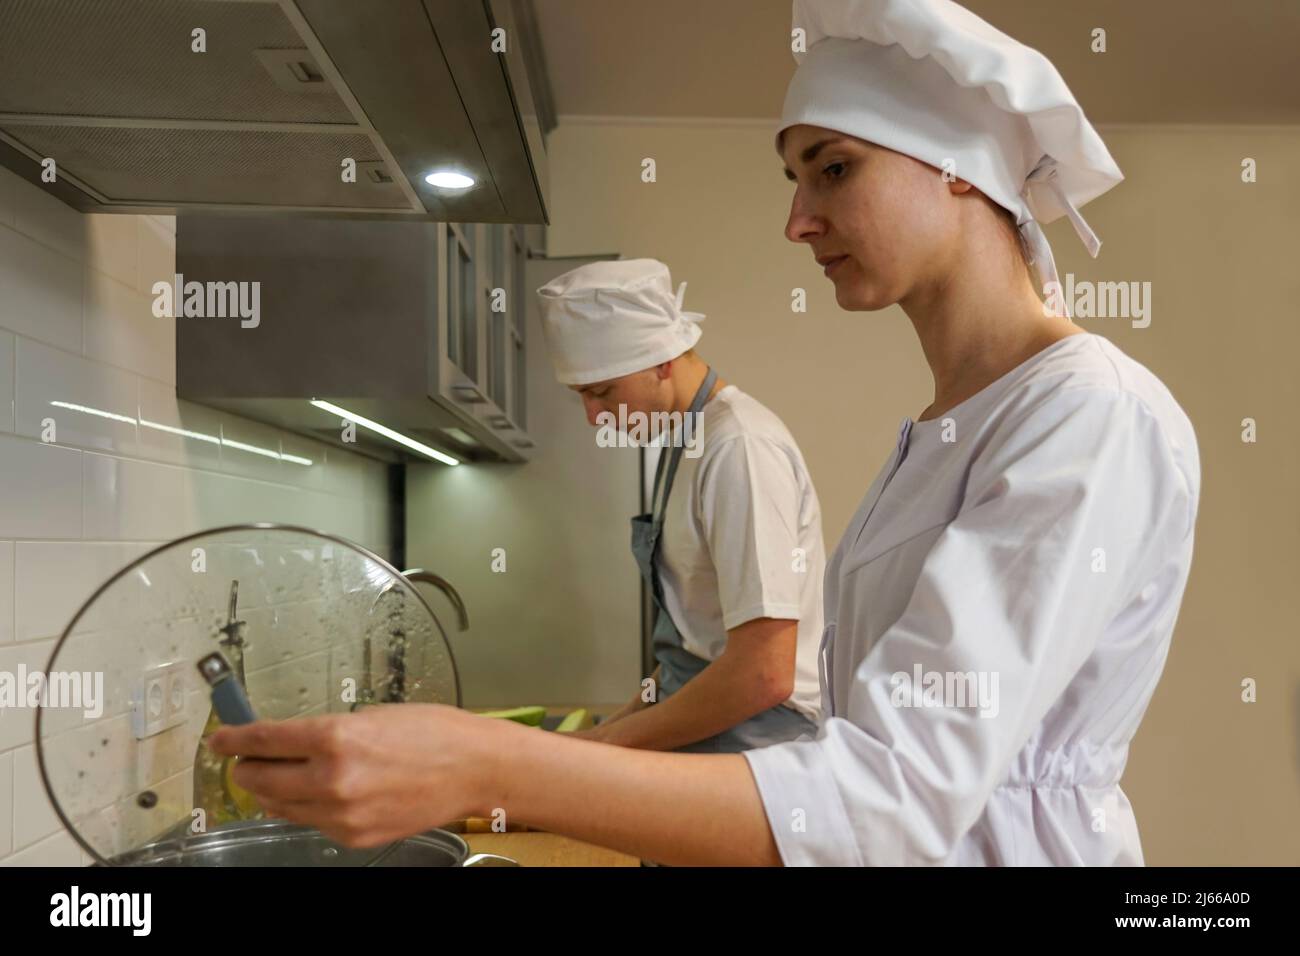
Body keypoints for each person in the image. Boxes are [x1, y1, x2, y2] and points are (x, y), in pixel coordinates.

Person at [212, 0, 1200, 865]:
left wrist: (494, 759)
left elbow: (893, 798)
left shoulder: (1084, 413)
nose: (797, 221)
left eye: (833, 167)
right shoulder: (949, 424)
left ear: (956, 166)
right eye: (793, 177)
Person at [533, 258, 825, 752]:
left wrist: (603, 750)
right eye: (581, 396)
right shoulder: (684, 441)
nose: (593, 417)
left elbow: (764, 673)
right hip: (713, 733)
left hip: (756, 748)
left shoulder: (738, 447)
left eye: (602, 392)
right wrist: (594, 742)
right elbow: (692, 652)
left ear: (661, 361)